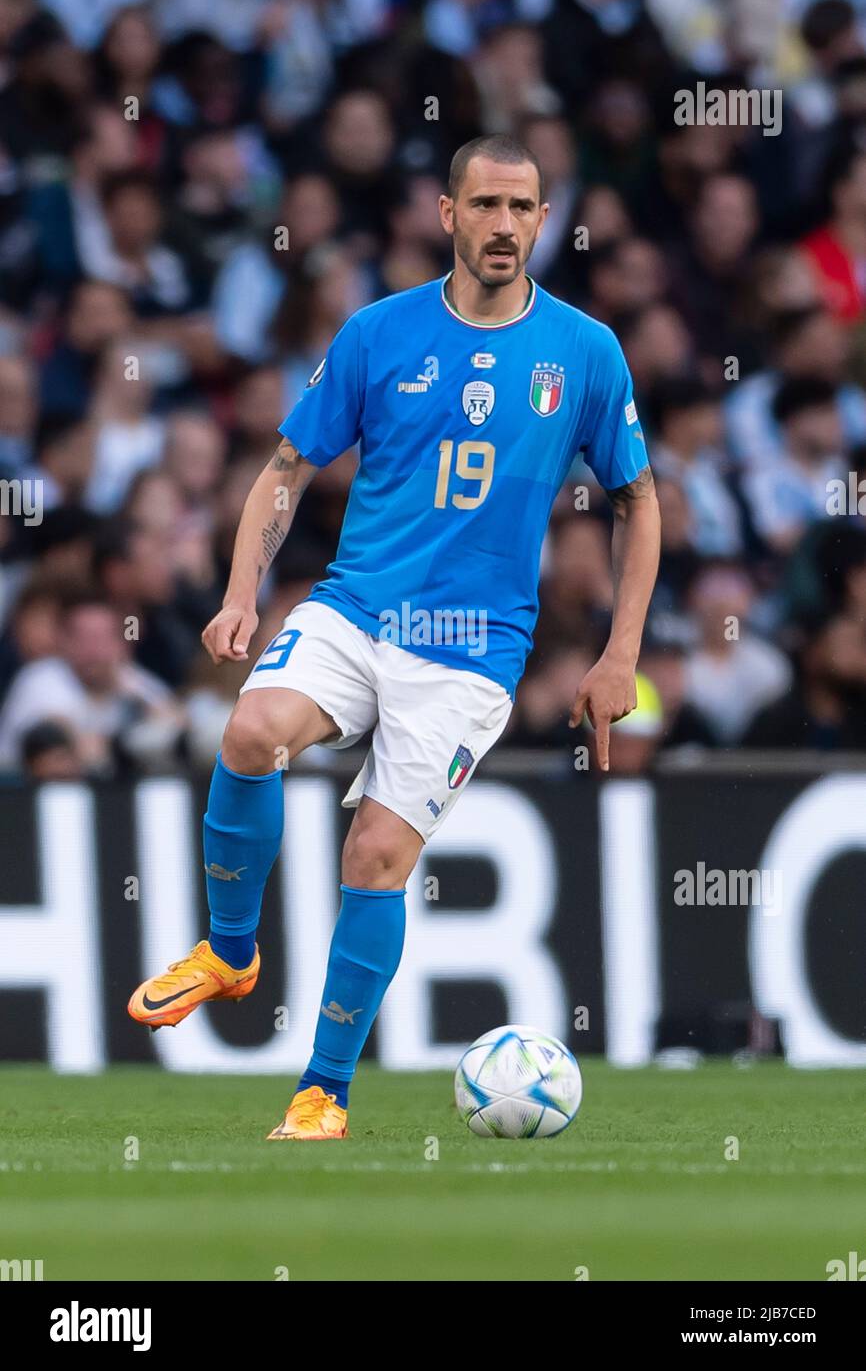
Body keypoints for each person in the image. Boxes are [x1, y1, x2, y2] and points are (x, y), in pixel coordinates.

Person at [127, 134, 660, 1140]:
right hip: (357, 604)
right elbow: (285, 468)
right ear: (445, 213)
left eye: (521, 208)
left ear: (543, 222)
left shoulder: (584, 351)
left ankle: (322, 1089)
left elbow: (639, 501)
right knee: (249, 735)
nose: (503, 226)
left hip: (470, 646)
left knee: (373, 852)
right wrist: (243, 592)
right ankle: (231, 952)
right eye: (484, 205)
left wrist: (617, 654)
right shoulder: (379, 333)